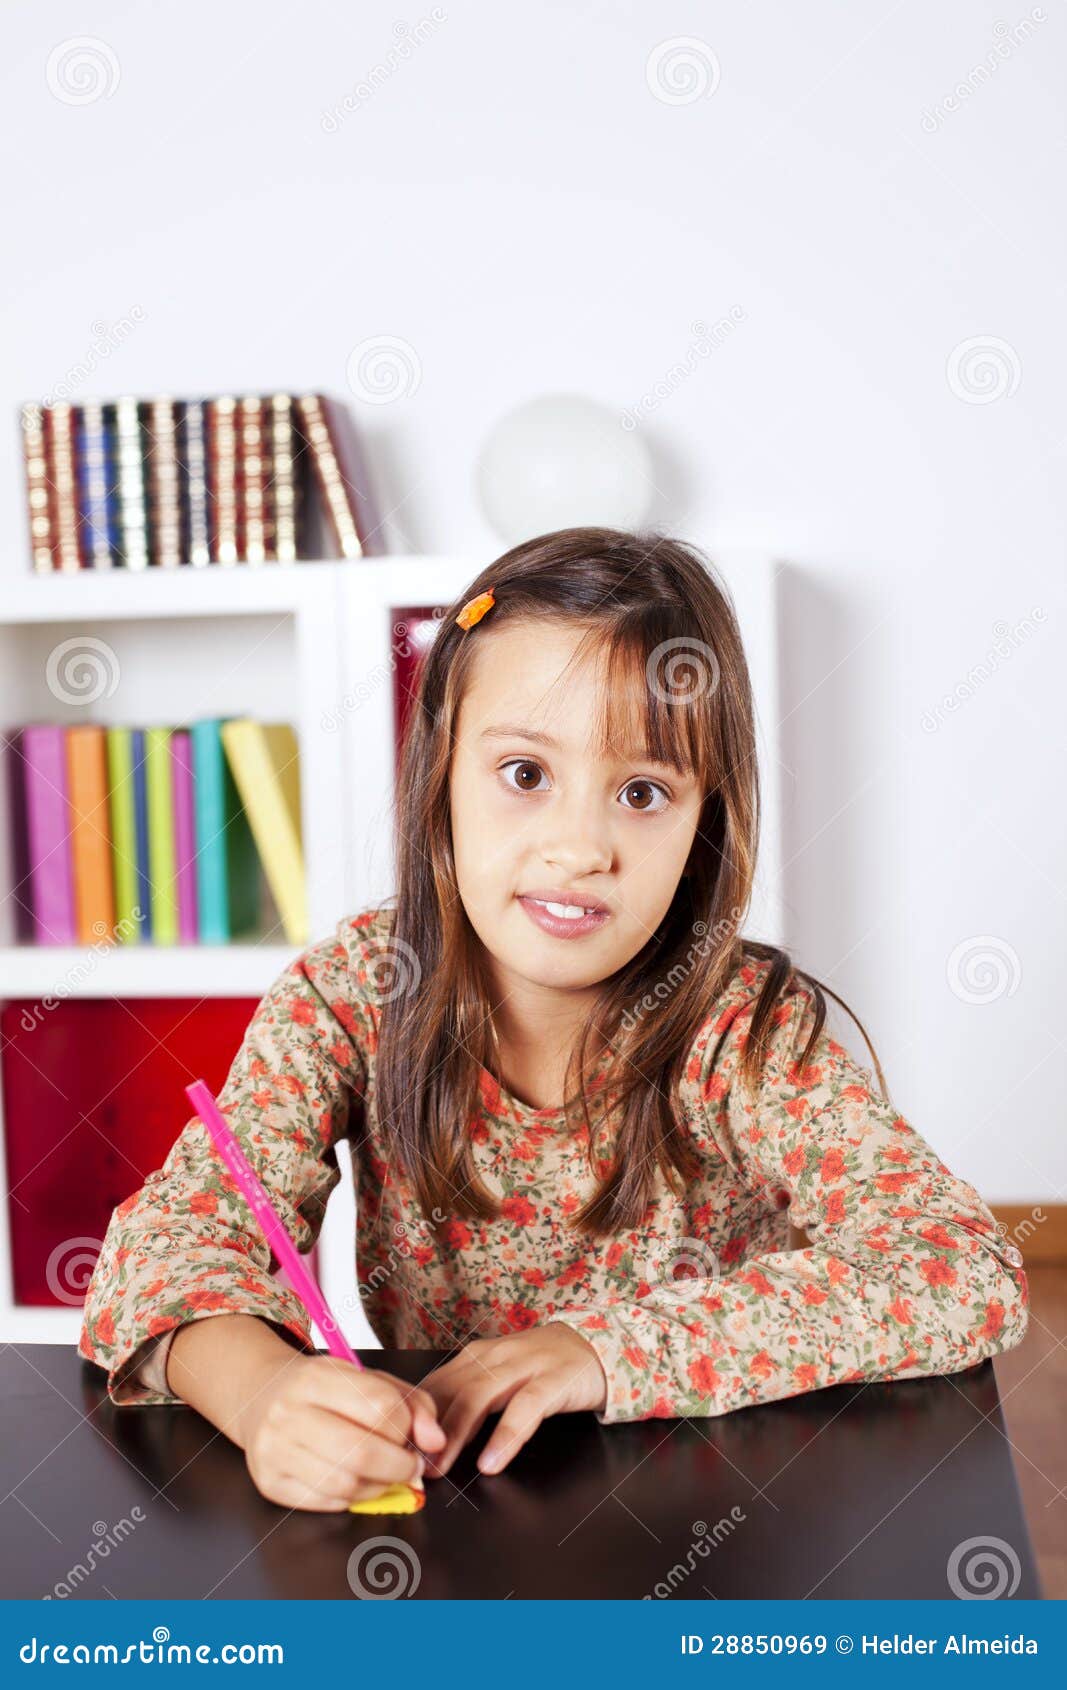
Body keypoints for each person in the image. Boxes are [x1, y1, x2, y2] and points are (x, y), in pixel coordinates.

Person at [78, 525, 1028, 1513]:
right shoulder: (354, 992)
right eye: (525, 775)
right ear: (438, 774)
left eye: (642, 791)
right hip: (451, 1515)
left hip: (716, 1515)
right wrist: (260, 1387)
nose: (580, 847)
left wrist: (603, 1350)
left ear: (704, 822)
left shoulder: (740, 1030)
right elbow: (165, 1246)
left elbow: (959, 1266)